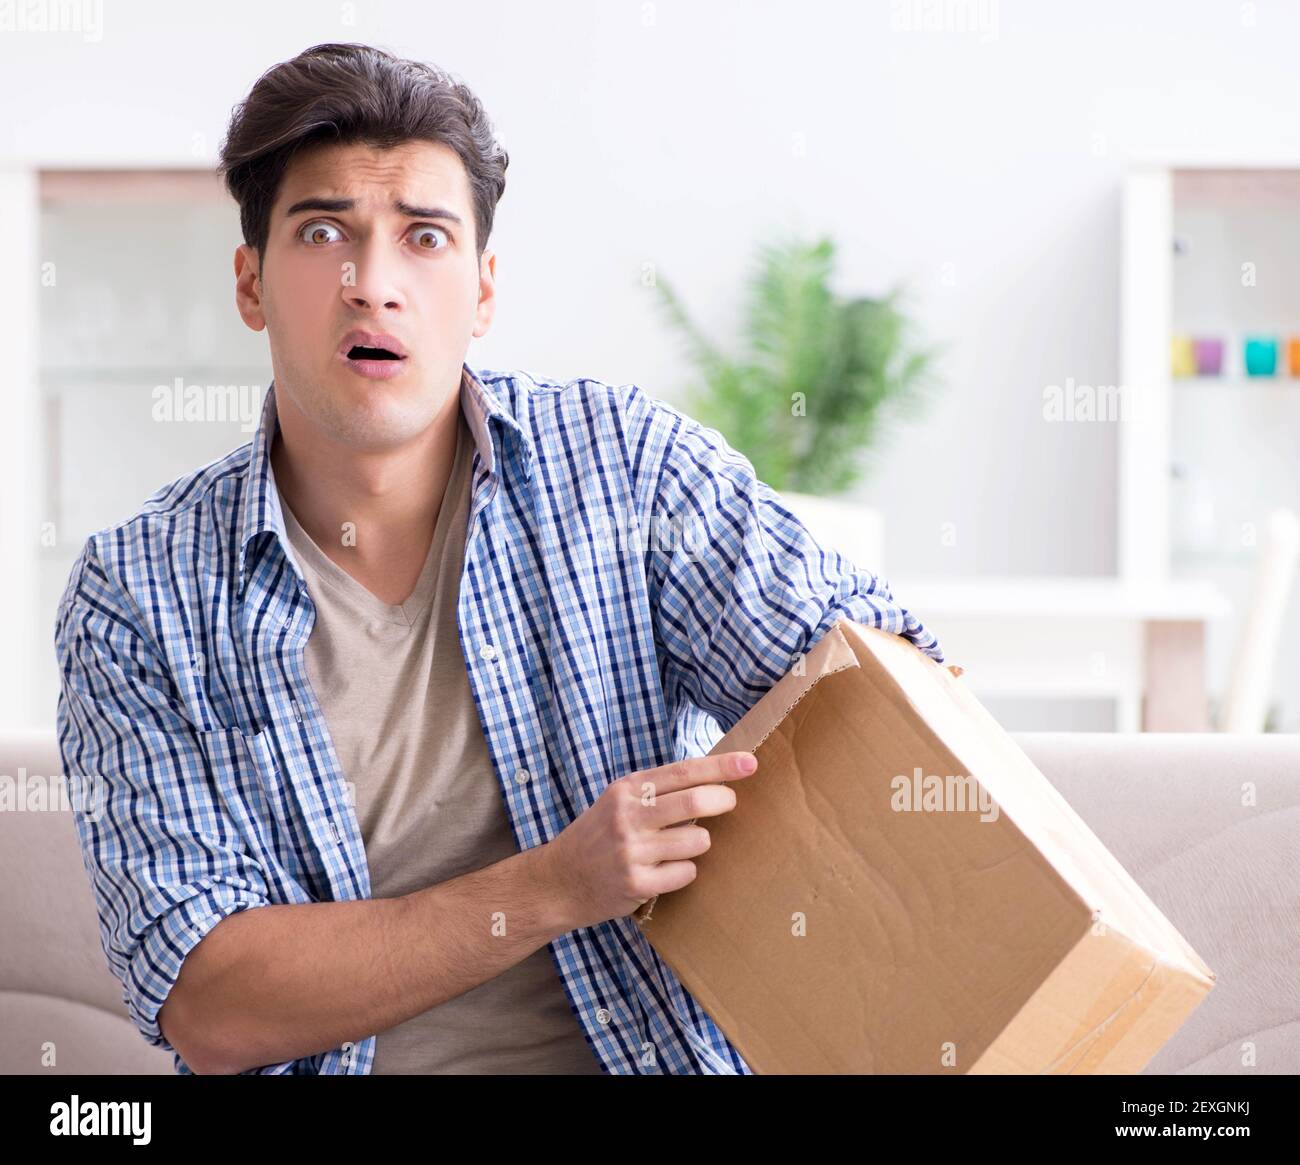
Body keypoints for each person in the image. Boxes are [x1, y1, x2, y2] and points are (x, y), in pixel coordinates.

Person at [53, 42, 944, 1075]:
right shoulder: (138, 594)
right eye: (324, 231)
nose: (371, 284)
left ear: (481, 291)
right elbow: (209, 1001)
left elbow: (889, 682)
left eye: (423, 237)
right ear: (251, 283)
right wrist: (557, 884)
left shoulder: (628, 470)